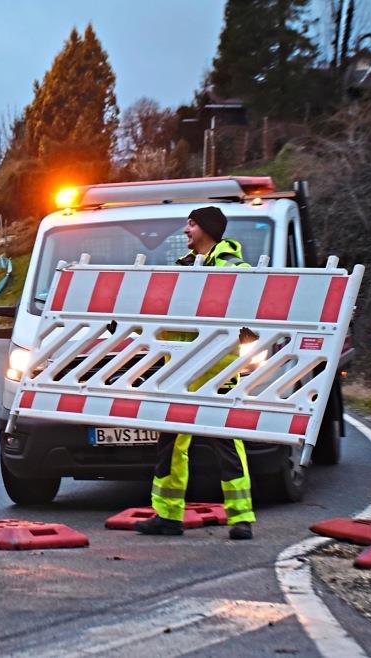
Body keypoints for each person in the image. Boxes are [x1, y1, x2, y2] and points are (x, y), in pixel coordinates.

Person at [135, 206, 256, 541]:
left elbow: (251, 320)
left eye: (191, 224)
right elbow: (167, 321)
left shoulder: (235, 268)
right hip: (179, 372)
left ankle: (241, 518)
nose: (185, 230)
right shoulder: (182, 268)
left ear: (206, 228)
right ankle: (168, 517)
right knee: (170, 446)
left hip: (217, 374)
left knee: (228, 445)